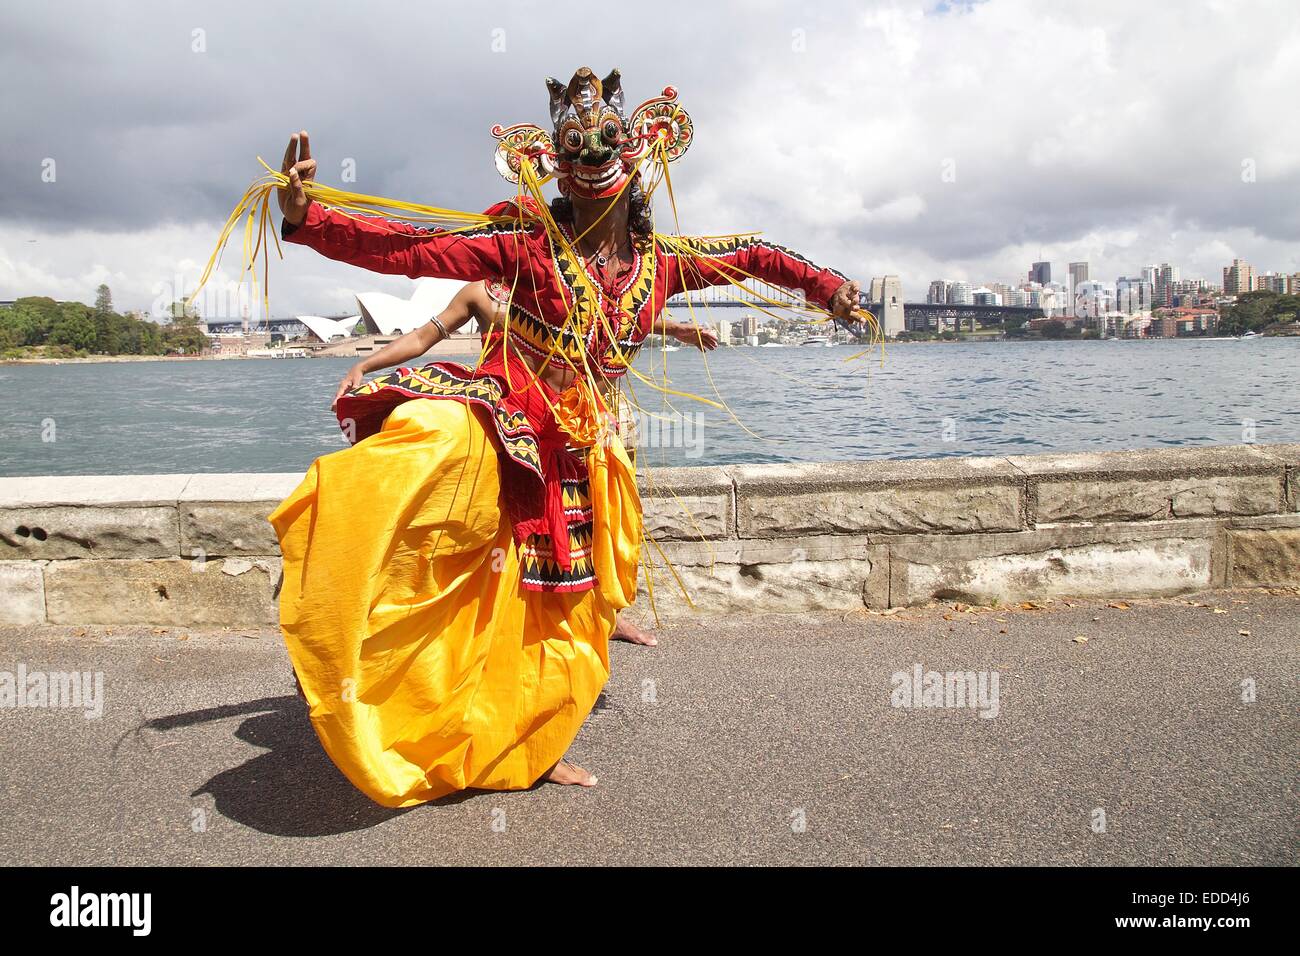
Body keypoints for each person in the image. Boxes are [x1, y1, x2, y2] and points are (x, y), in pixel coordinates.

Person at [267, 66, 862, 807]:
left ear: (638, 148)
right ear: (554, 161)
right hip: (511, 423)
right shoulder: (522, 243)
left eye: (606, 139)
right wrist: (308, 216)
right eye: (575, 146)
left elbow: (755, 257)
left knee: (568, 609)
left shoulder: (660, 264)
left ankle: (531, 741)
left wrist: (829, 289)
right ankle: (352, 613)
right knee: (417, 475)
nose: (591, 156)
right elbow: (409, 246)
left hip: (586, 451)